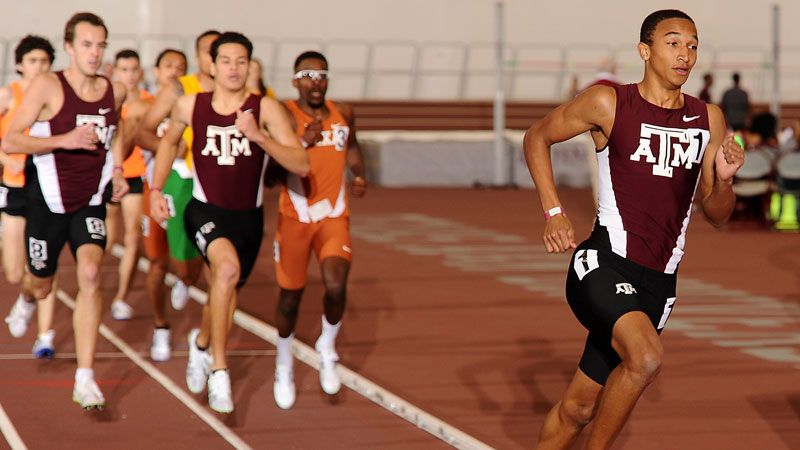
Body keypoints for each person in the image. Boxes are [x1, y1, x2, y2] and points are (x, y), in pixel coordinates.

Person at [523, 10, 744, 449]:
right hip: (603, 264)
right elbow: (536, 137)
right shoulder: (609, 103)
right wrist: (554, 211)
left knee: (578, 409)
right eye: (673, 43)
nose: (685, 55)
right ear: (645, 50)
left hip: (658, 284)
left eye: (693, 46)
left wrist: (724, 180)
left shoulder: (708, 118)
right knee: (644, 358)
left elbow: (718, 215)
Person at [150, 31, 309, 414]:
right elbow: (168, 142)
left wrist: (259, 137)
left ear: (250, 65)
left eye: (241, 61)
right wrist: (156, 189)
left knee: (226, 291)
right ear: (212, 65)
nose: (233, 68)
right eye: (225, 61)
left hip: (248, 220)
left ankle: (202, 344)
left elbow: (302, 164)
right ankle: (220, 370)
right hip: (204, 210)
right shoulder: (190, 105)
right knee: (225, 272)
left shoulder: (265, 109)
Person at [1, 12, 129, 410]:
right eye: (86, 45)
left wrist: (119, 169)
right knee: (40, 284)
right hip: (48, 202)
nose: (94, 53)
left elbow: (117, 130)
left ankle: (85, 378)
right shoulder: (47, 86)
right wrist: (64, 140)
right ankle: (27, 299)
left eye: (101, 45)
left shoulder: (115, 90)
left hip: (90, 201)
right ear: (70, 47)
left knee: (90, 273)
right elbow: (11, 141)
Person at [271, 51, 366, 410]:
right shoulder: (283, 115)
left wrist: (358, 174)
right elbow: (271, 174)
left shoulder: (343, 112)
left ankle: (327, 346)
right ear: (295, 80)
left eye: (322, 75)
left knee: (336, 285)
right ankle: (284, 361)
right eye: (308, 75)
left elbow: (352, 147)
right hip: (295, 216)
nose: (316, 82)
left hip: (334, 216)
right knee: (290, 298)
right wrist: (303, 143)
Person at [138, 30, 220, 312]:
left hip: (220, 185)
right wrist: (172, 148)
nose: (215, 56)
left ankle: (210, 331)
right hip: (182, 180)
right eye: (208, 50)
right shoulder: (179, 89)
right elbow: (143, 132)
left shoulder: (238, 92)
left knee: (219, 264)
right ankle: (181, 285)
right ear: (198, 55)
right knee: (179, 264)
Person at [127, 48, 188, 361]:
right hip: (155, 190)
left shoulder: (193, 106)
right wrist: (170, 147)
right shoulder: (144, 108)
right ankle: (161, 326)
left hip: (188, 192)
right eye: (168, 66)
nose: (174, 71)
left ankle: (185, 279)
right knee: (156, 262)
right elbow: (133, 138)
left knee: (190, 262)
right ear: (156, 71)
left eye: (181, 66)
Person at [0, 35, 59, 358]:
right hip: (16, 187)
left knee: (46, 263)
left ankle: (45, 335)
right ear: (20, 65)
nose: (39, 66)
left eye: (44, 61)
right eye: (32, 61)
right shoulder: (9, 95)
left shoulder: (55, 96)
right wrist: (5, 158)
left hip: (47, 189)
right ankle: (25, 298)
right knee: (14, 271)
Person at [105, 49, 152, 321]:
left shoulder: (150, 102)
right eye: (124, 70)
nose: (130, 75)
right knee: (108, 239)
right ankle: (93, 282)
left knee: (133, 237)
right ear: (114, 71)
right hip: (109, 175)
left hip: (136, 175)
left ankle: (121, 296)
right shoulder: (107, 100)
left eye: (134, 69)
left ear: (141, 72)